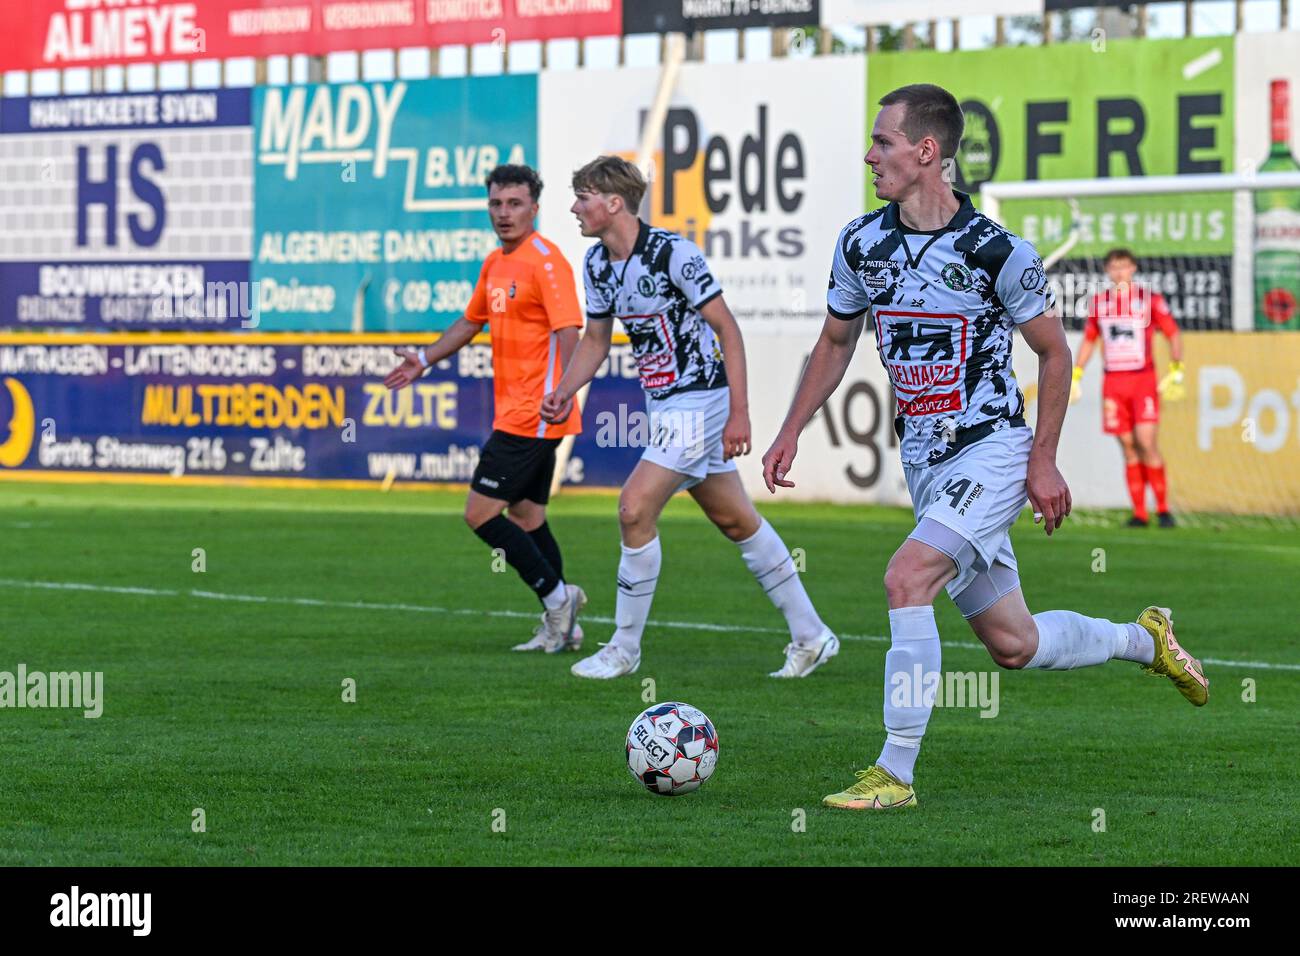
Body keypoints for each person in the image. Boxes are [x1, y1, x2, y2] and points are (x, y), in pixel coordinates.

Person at [761, 84, 1208, 811]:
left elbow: (1054, 355)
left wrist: (1041, 458)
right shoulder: (860, 243)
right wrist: (790, 429)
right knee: (1014, 644)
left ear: (927, 151)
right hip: (928, 464)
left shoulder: (996, 250)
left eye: (884, 142)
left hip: (993, 448)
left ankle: (893, 774)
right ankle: (1144, 637)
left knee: (907, 579)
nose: (871, 155)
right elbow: (837, 341)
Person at [539, 155, 838, 680]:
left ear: (613, 203)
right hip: (665, 405)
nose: (573, 206)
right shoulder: (597, 264)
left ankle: (624, 649)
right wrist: (564, 390)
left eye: (582, 196)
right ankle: (812, 635)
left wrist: (739, 413)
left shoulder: (672, 253)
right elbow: (595, 339)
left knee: (634, 508)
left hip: (701, 400)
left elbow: (728, 329)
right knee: (735, 520)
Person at [385, 164, 586, 653]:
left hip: (535, 414)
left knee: (479, 513)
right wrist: (425, 359)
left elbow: (569, 332)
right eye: (496, 203)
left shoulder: (547, 260)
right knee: (528, 515)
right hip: (516, 412)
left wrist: (560, 393)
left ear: (534, 208)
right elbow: (470, 321)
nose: (504, 213)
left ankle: (559, 599)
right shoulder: (497, 263)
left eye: (514, 204)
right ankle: (565, 625)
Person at [1072, 248, 1184, 527]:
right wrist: (1076, 373)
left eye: (1124, 266)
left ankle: (1163, 509)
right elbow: (1089, 339)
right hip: (1113, 382)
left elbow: (1173, 333)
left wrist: (1176, 368)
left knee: (1147, 442)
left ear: (1133, 268)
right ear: (1107, 271)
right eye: (1113, 267)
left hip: (1143, 379)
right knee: (1127, 445)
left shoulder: (1149, 300)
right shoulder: (1100, 303)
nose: (1119, 272)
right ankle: (1139, 513)